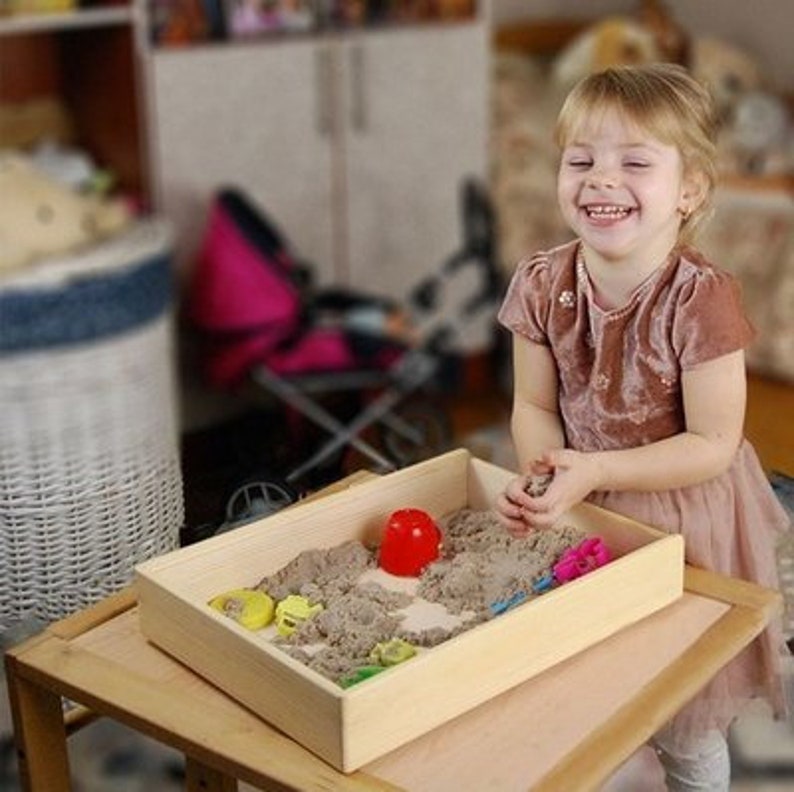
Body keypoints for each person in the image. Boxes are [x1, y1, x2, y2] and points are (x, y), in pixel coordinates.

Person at [494, 62, 790, 791]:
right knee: (593, 681)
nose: (601, 179)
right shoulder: (541, 284)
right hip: (585, 498)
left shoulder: (701, 300)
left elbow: (713, 443)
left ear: (690, 190)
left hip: (680, 510)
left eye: (634, 163)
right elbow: (534, 407)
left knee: (682, 707)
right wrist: (545, 475)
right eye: (580, 161)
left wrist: (598, 469)